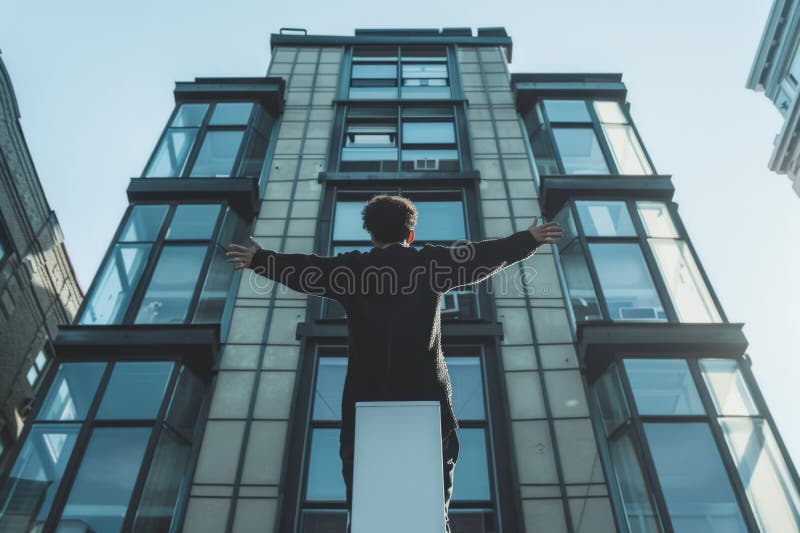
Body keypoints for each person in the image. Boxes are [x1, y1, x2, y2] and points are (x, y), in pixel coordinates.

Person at [226, 194, 563, 533]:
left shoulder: (351, 270)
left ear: (372, 236)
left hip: (366, 396)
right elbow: (481, 257)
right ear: (410, 234)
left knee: (364, 498)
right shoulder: (431, 264)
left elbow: (305, 270)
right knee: (434, 495)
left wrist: (260, 260)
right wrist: (528, 240)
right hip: (426, 395)